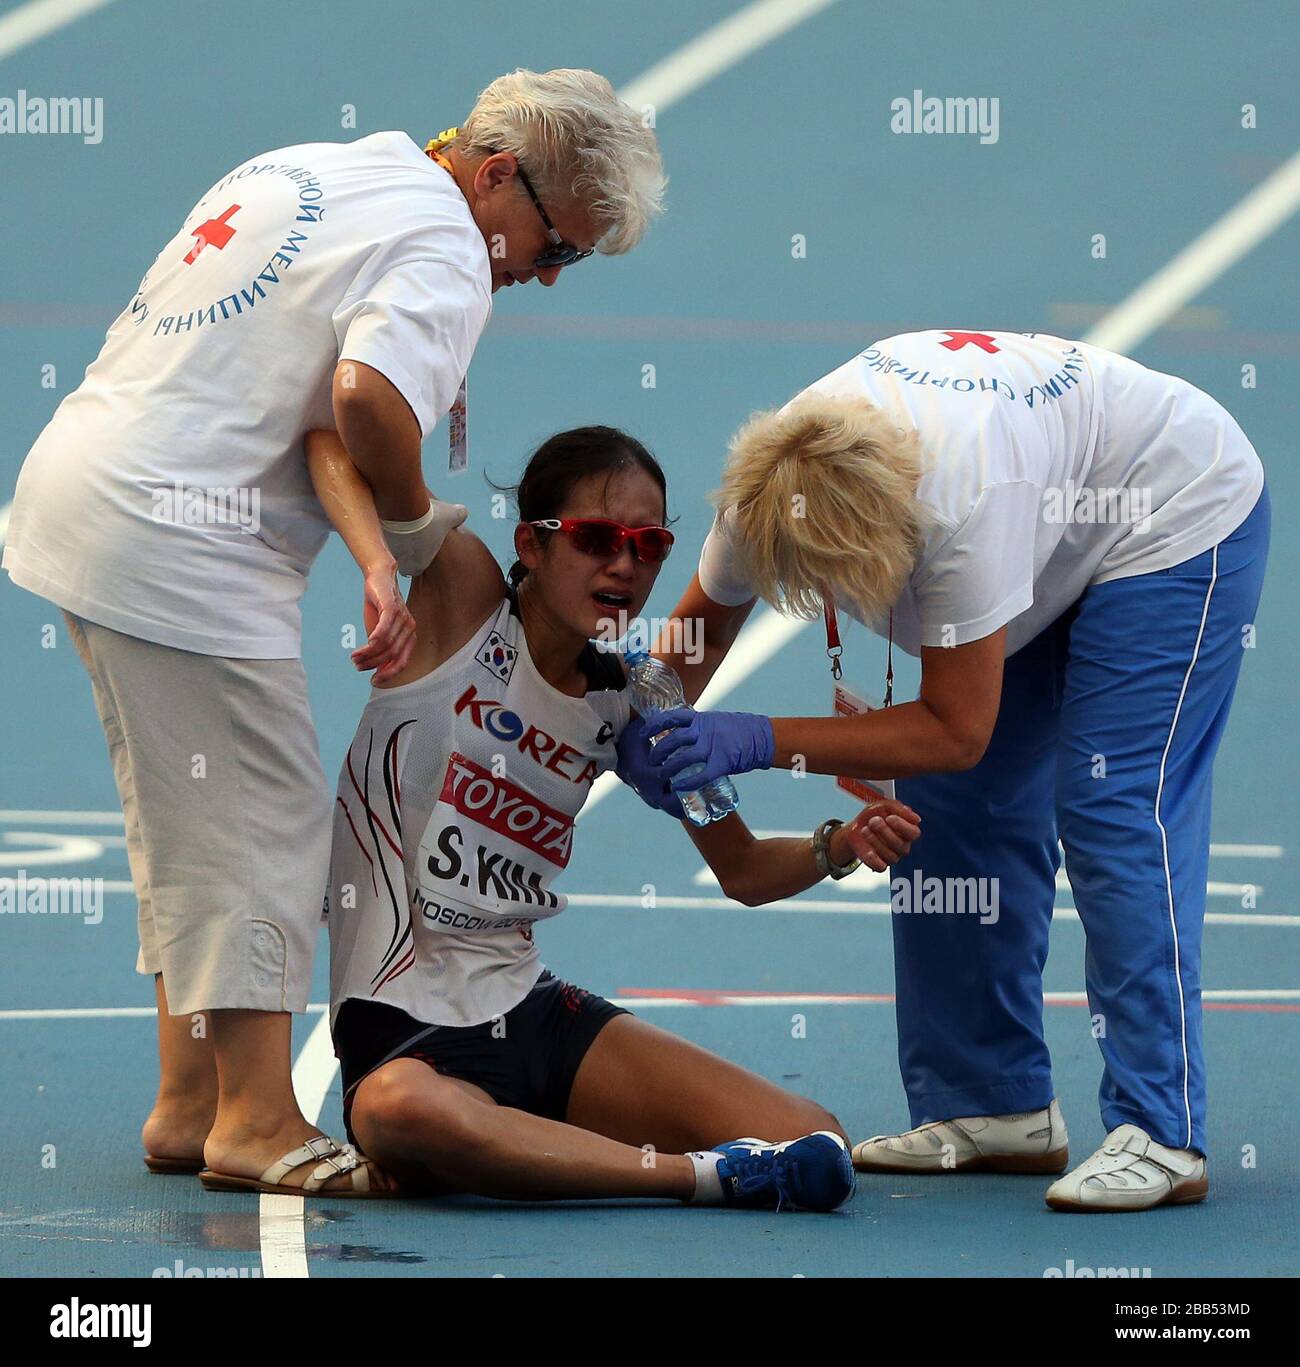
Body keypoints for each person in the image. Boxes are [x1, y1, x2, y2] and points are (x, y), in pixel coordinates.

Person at [2, 68, 665, 1196]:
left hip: (86, 489)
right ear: (496, 175)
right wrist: (405, 529)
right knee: (264, 829)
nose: (542, 276)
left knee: (188, 819)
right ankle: (255, 1121)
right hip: (182, 544)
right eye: (552, 248)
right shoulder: (450, 247)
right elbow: (363, 400)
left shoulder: (319, 164)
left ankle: (191, 1099)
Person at [617, 329, 1268, 1213]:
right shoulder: (768, 489)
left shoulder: (965, 508)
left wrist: (760, 737)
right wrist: (638, 720)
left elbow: (956, 727)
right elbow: (686, 649)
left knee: (1115, 803)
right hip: (1053, 514)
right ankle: (990, 1103)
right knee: (959, 804)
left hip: (1168, 516)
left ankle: (1162, 1125)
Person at [304, 422, 923, 1209]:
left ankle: (517, 1144)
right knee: (403, 1112)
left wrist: (838, 844)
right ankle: (702, 1177)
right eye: (597, 538)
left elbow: (743, 871)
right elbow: (342, 433)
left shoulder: (635, 696)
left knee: (811, 1133)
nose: (624, 565)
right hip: (403, 1035)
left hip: (529, 1014)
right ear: (530, 543)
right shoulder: (461, 598)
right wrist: (378, 563)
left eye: (649, 544)